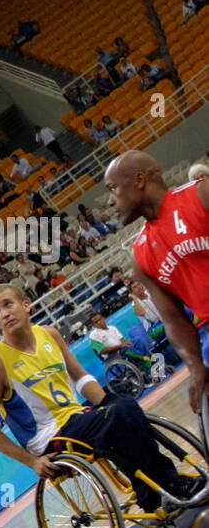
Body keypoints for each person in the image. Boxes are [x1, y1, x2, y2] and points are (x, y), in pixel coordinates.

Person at [0, 286, 203, 511]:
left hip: (77, 418)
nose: (3, 314)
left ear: (26, 305)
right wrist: (31, 462)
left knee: (123, 405)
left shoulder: (49, 334)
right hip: (49, 438)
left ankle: (155, 489)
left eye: (7, 304)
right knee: (117, 414)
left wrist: (107, 402)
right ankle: (167, 485)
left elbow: (80, 377)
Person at [106, 150, 209, 419]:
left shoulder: (201, 195)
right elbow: (173, 319)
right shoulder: (141, 255)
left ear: (139, 179)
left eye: (113, 188)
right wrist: (196, 366)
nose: (110, 200)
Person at [87, 311, 165, 381]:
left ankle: (146, 361)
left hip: (122, 349)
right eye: (96, 322)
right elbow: (102, 351)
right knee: (126, 349)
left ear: (103, 318)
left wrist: (126, 343)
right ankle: (148, 364)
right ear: (94, 325)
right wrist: (120, 346)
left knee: (137, 340)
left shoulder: (112, 328)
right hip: (112, 356)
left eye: (99, 319)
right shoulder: (93, 335)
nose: (99, 322)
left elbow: (123, 341)